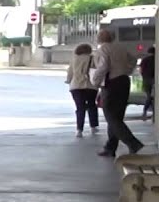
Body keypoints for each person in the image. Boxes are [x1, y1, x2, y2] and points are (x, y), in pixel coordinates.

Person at [91, 29, 144, 157]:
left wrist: (95, 81)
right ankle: (110, 147)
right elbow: (134, 59)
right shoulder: (121, 47)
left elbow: (103, 67)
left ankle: (133, 143)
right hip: (124, 81)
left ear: (100, 38)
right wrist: (127, 70)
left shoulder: (103, 49)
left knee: (111, 116)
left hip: (111, 83)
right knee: (117, 116)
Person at [66, 43, 100, 137]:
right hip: (90, 86)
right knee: (92, 105)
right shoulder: (93, 58)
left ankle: (79, 129)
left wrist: (69, 80)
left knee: (80, 108)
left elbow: (70, 72)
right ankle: (93, 126)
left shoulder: (74, 59)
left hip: (76, 86)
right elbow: (97, 70)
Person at [141, 46, 155, 121]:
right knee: (153, 98)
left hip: (146, 80)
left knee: (149, 97)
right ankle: (154, 114)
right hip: (154, 80)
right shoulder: (156, 60)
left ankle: (145, 112)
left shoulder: (144, 60)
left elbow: (141, 70)